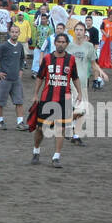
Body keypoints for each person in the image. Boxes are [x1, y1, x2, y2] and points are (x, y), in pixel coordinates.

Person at [25, 32, 80, 169]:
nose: (61, 44)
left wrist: (79, 93)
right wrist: (36, 94)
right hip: (46, 98)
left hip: (64, 99)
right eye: (58, 41)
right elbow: (40, 77)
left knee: (60, 129)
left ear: (67, 44)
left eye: (63, 42)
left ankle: (56, 157)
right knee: (40, 128)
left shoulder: (71, 59)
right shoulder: (48, 58)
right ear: (54, 43)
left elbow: (75, 77)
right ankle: (36, 151)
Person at [0, 24, 27, 129]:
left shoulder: (20, 46)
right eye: (13, 32)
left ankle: (20, 123)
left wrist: (21, 70)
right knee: (1, 102)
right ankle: (0, 121)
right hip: (5, 79)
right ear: (9, 33)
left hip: (16, 80)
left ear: (19, 33)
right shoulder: (3, 46)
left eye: (16, 32)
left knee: (19, 102)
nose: (14, 34)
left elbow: (21, 59)